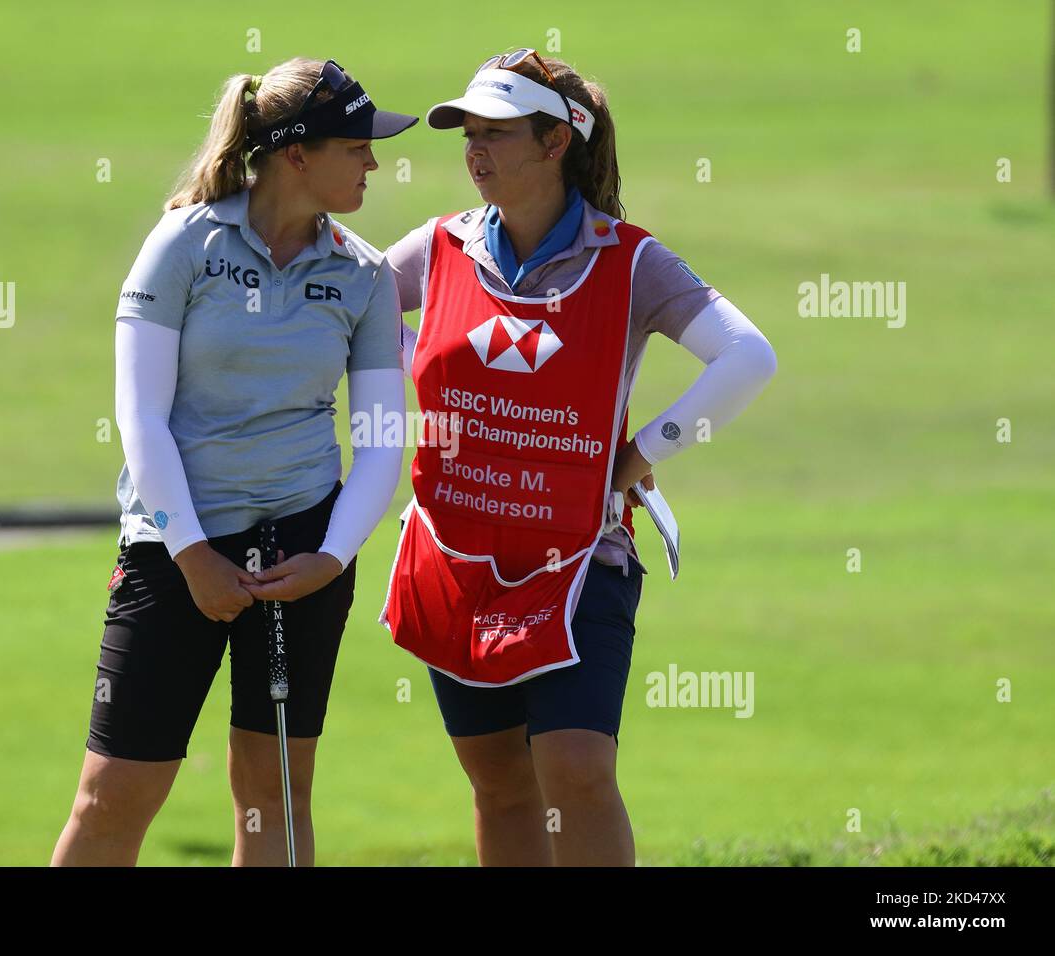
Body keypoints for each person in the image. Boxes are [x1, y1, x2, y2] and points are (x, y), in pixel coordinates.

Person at [380, 49, 777, 866]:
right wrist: (414, 355)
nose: (474, 150)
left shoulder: (631, 260)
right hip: (455, 556)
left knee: (577, 767)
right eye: (467, 133)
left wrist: (635, 458)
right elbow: (342, 315)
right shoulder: (440, 245)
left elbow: (748, 358)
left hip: (580, 555)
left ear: (556, 143)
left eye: (496, 132)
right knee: (496, 778)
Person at [51, 58, 415, 867]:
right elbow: (140, 415)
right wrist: (192, 556)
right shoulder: (182, 244)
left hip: (304, 551)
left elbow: (382, 437)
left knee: (275, 795)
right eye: (356, 146)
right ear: (296, 155)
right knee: (114, 792)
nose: (374, 163)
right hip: (172, 549)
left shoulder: (364, 274)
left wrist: (331, 555)